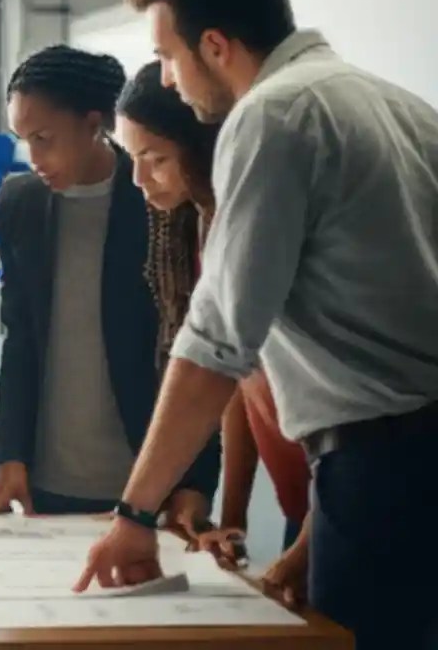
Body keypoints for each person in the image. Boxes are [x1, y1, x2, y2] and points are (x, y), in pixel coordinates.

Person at [74, 0, 438, 648]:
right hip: (399, 464)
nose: (168, 80)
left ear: (215, 45)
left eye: (169, 58)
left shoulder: (273, 115)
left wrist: (134, 514)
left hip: (378, 467)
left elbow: (217, 342)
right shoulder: (400, 106)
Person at [0, 45, 219, 526]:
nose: (33, 157)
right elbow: (20, 337)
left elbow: (196, 349)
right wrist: (10, 456)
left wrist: (195, 482)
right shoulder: (21, 202)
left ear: (94, 124)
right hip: (47, 479)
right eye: (23, 139)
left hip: (146, 475)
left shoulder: (160, 199)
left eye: (45, 138)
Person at [115, 60, 312, 608]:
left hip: (354, 488)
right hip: (305, 492)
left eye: (154, 158)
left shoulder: (263, 225)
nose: (138, 179)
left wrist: (306, 546)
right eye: (131, 157)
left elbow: (363, 420)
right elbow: (230, 377)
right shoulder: (203, 223)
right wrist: (232, 518)